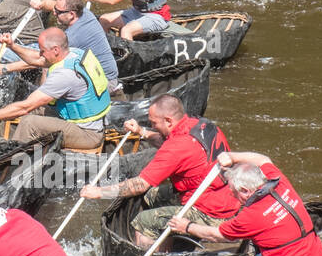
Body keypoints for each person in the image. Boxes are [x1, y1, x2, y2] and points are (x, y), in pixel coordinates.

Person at [168, 151, 322, 256]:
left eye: (233, 192)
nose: (232, 196)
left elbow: (217, 235)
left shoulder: (251, 216)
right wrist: (232, 157)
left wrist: (187, 226)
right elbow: (262, 159)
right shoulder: (281, 184)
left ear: (245, 190)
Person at [79, 94, 235, 248]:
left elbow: (139, 184)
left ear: (168, 120)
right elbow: (167, 141)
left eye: (153, 123)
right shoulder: (200, 124)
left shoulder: (176, 148)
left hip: (211, 211)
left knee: (143, 221)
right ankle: (168, 236)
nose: (152, 126)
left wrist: (99, 192)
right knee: (150, 196)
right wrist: (141, 131)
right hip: (221, 195)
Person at [0, 27, 111, 150]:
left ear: (55, 50)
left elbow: (25, 107)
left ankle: (12, 165)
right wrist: (12, 46)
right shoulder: (73, 53)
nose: (40, 54)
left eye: (42, 50)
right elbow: (36, 59)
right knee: (12, 111)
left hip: (87, 133)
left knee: (30, 123)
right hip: (74, 119)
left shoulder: (65, 75)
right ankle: (2, 145)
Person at [0, 0, 123, 98]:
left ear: (71, 14)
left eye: (57, 12)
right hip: (94, 72)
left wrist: (5, 68)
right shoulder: (84, 13)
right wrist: (41, 4)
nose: (54, 13)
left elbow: (41, 60)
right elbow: (52, 4)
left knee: (49, 67)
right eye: (55, 9)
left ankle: (44, 102)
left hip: (103, 83)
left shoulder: (73, 37)